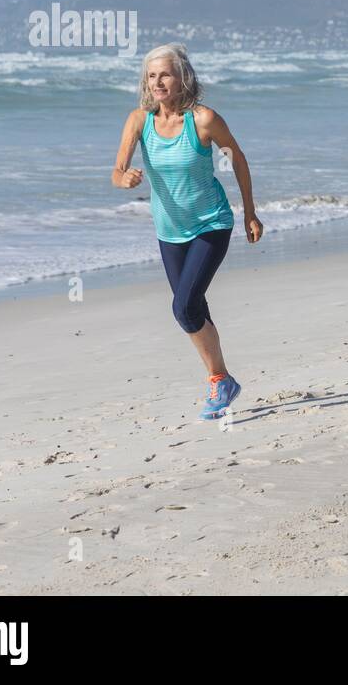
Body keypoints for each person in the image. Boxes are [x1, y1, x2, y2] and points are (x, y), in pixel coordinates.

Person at [111, 43, 263, 420]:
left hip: (211, 223)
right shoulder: (138, 121)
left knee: (183, 307)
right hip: (168, 230)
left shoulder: (203, 120)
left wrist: (250, 213)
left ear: (182, 78)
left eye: (165, 74)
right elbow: (116, 171)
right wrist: (125, 179)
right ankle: (221, 380)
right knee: (193, 307)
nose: (157, 81)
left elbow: (238, 158)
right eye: (151, 75)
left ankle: (218, 379)